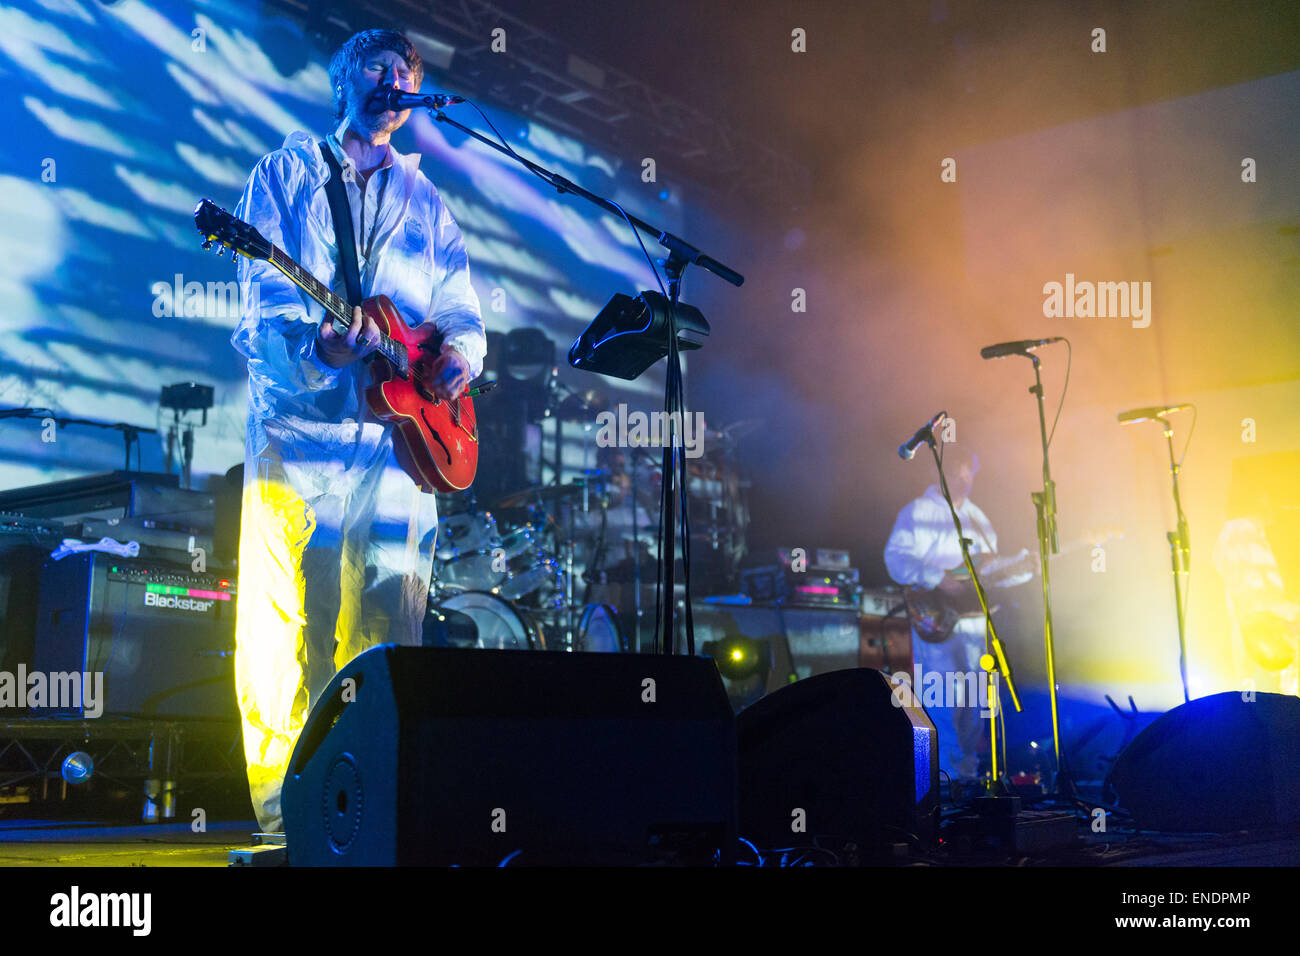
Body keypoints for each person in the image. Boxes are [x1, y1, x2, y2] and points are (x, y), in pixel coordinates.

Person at [230, 29, 487, 833]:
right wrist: (322, 344)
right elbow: (261, 309)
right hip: (297, 429)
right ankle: (283, 817)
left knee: (386, 617)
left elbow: (462, 314)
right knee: (278, 623)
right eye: (377, 68)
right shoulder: (284, 175)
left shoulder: (429, 202)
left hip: (396, 439)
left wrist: (458, 363)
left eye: (406, 72)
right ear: (344, 81)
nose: (393, 80)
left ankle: (368, 805)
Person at [883, 444, 999, 784]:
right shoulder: (917, 512)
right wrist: (938, 578)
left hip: (974, 623)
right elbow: (896, 560)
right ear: (941, 473)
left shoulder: (979, 519)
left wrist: (1024, 568)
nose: (963, 479)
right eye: (956, 472)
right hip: (935, 618)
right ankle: (941, 779)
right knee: (943, 694)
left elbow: (989, 570)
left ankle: (966, 774)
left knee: (975, 696)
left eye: (968, 473)